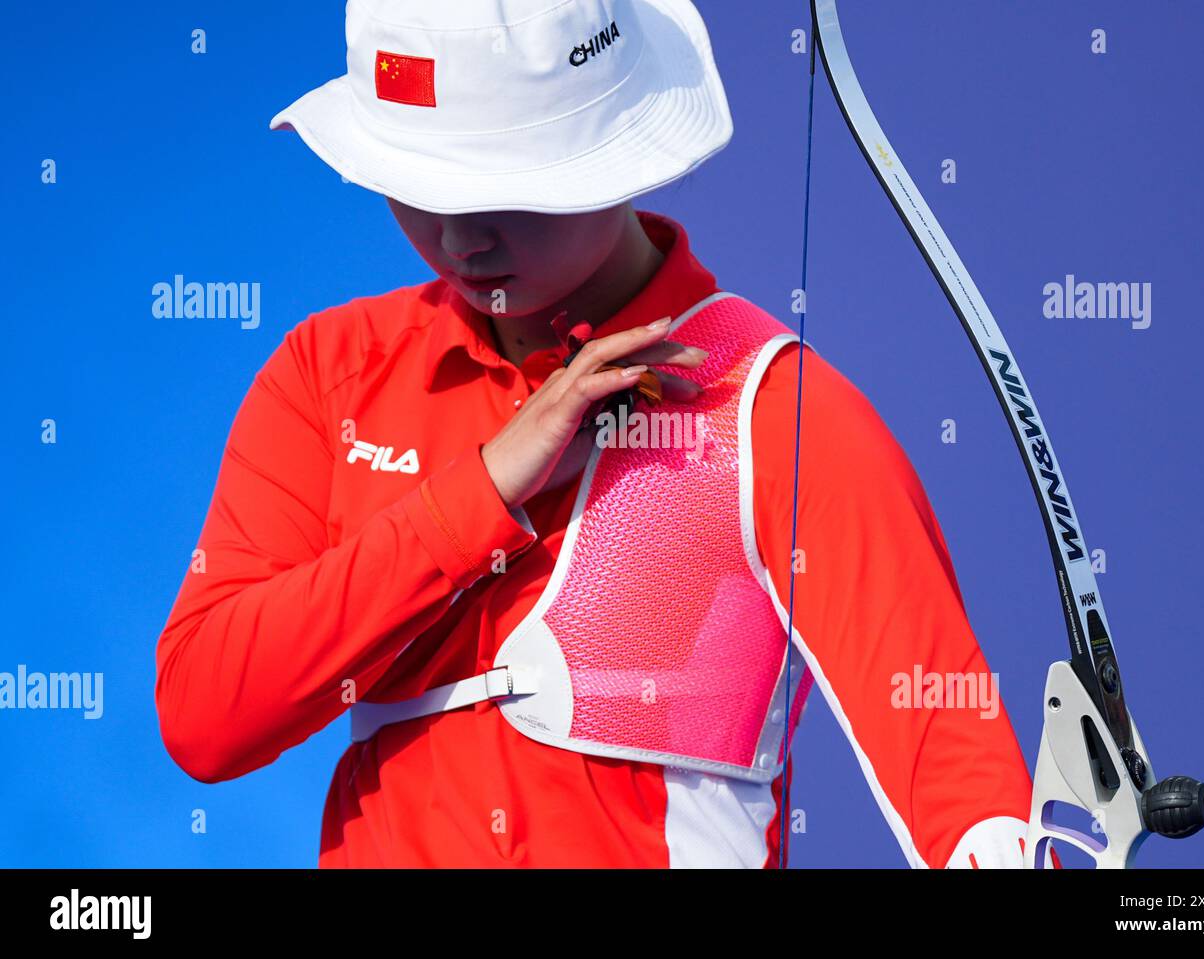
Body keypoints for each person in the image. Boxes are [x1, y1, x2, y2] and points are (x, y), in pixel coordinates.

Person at [154, 0, 1040, 868]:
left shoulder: (776, 409)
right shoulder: (331, 370)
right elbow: (204, 715)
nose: (461, 237)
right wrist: (487, 487)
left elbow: (958, 782)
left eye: (508, 189)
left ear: (617, 155)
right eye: (419, 186)